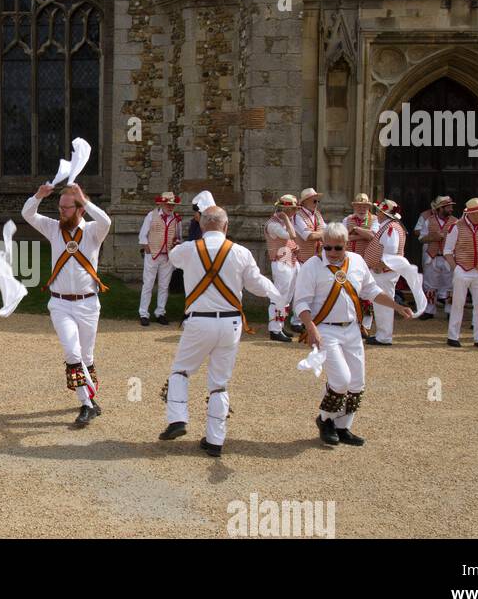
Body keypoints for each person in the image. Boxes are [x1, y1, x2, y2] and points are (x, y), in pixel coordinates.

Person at [159, 206, 282, 456]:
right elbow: (257, 285)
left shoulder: (187, 250)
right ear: (226, 226)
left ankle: (178, 418)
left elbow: (173, 257)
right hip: (230, 324)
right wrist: (279, 296)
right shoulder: (241, 252)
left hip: (199, 321)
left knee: (181, 370)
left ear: (202, 225)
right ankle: (215, 441)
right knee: (219, 383)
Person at [294, 222, 414, 447]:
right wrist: (311, 329)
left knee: (357, 382)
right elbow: (301, 302)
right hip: (326, 329)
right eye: (327, 247)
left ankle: (343, 427)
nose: (332, 252)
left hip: (352, 329)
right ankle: (325, 420)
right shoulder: (312, 266)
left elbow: (372, 291)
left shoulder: (357, 262)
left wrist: (397, 306)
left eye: (337, 248)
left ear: (346, 245)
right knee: (341, 380)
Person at [23, 181, 111, 427]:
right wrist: (38, 195)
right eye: (60, 207)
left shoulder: (93, 231)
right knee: (72, 353)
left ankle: (90, 399)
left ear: (80, 208)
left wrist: (85, 200)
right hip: (60, 304)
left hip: (88, 303)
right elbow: (28, 214)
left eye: (67, 208)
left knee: (87, 355)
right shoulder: (53, 228)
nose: (61, 212)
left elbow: (106, 221)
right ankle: (86, 404)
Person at [442, 198, 478, 349]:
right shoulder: (456, 226)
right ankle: (453, 336)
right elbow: (448, 250)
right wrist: (456, 268)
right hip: (463, 269)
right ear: (473, 213)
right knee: (458, 303)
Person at [362, 199, 408, 346]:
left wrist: (380, 266)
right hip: (383, 271)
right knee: (380, 302)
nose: (377, 214)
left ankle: (384, 336)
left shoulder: (391, 228)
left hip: (384, 272)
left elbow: (391, 251)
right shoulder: (390, 226)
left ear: (383, 214)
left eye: (379, 212)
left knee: (384, 303)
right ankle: (381, 334)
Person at [138, 191, 183, 326]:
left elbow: (179, 237)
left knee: (164, 285)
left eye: (172, 205)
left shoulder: (176, 219)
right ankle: (143, 313)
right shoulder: (151, 215)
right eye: (168, 204)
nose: (171, 207)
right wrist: (146, 246)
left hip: (168, 256)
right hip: (153, 254)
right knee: (148, 284)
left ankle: (160, 312)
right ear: (161, 204)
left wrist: (176, 245)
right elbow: (143, 234)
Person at [265, 194, 301, 342]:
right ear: (284, 210)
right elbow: (291, 235)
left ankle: (280, 325)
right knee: (279, 296)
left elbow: (291, 240)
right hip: (281, 262)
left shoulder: (284, 222)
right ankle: (274, 329)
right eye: (292, 209)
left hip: (290, 260)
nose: (294, 212)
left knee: (288, 296)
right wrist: (286, 218)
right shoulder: (273, 224)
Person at [344, 193, 380, 329]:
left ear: (368, 207)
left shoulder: (374, 219)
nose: (362, 209)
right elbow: (343, 237)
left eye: (364, 206)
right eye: (359, 206)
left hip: (367, 260)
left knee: (367, 292)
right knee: (350, 291)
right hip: (349, 261)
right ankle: (352, 322)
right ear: (354, 207)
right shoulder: (347, 219)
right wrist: (362, 235)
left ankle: (366, 326)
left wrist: (355, 230)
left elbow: (372, 236)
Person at [416, 196, 455, 319]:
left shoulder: (456, 222)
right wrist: (433, 237)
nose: (451, 209)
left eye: (451, 206)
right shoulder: (429, 221)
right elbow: (421, 238)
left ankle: (450, 311)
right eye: (448, 207)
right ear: (440, 208)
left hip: (448, 258)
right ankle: (429, 310)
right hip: (432, 256)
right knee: (430, 285)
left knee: (450, 285)